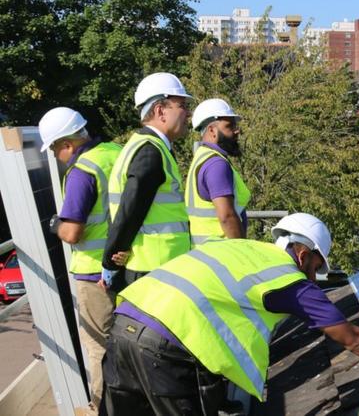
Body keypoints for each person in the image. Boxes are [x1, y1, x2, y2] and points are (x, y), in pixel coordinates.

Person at [102, 213, 359, 415]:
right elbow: (355, 340)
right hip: (164, 347)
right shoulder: (289, 280)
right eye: (315, 267)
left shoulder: (241, 248)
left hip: (124, 322)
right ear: (303, 255)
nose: (314, 278)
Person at [39, 107, 121, 411]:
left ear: (67, 144)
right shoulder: (116, 153)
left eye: (54, 150)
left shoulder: (82, 171)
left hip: (94, 274)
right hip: (130, 265)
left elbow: (73, 232)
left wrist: (55, 225)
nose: (56, 157)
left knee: (99, 348)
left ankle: (101, 409)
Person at [102, 72, 192, 289]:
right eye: (182, 106)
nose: (188, 113)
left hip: (155, 267)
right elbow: (130, 209)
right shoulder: (150, 152)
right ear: (160, 111)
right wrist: (111, 262)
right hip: (156, 269)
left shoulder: (145, 146)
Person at [185, 98, 250, 245]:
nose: (237, 131)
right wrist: (243, 249)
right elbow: (227, 216)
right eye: (229, 126)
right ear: (212, 130)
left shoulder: (202, 157)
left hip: (205, 252)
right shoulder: (216, 164)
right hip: (222, 252)